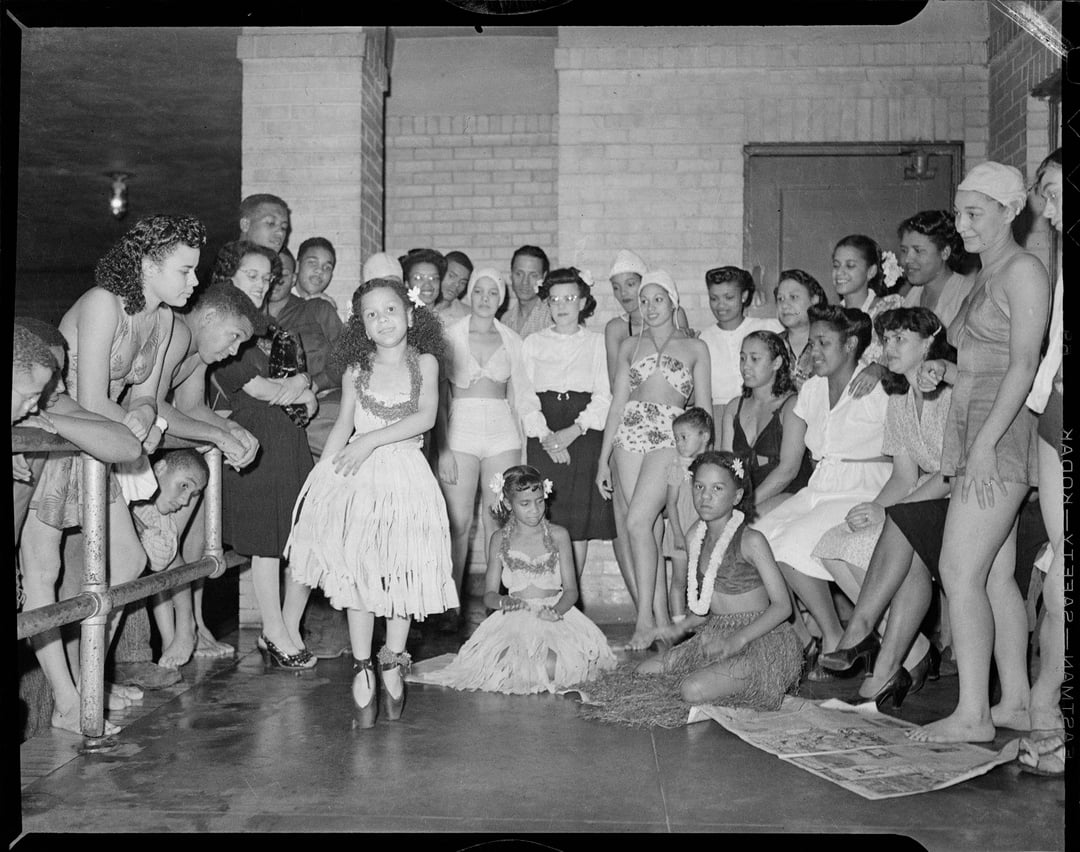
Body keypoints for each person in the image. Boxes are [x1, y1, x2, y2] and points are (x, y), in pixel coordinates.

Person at [21, 214, 205, 734]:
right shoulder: (105, 302)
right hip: (60, 432)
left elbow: (144, 396)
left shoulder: (165, 318)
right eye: (185, 271)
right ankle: (65, 701)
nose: (194, 282)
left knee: (125, 558)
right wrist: (132, 425)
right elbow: (95, 396)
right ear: (148, 265)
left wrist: (144, 419)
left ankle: (88, 681)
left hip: (106, 439)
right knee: (42, 568)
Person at [907, 161, 1050, 744]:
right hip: (976, 430)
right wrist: (945, 364)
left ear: (1010, 211)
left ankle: (972, 713)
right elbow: (985, 356)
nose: (961, 225)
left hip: (1001, 435)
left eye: (974, 213)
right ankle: (1014, 699)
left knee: (956, 569)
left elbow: (1023, 364)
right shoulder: (987, 273)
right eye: (960, 212)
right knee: (992, 575)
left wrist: (988, 445)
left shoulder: (1024, 271)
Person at [285, 277, 458, 727]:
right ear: (361, 326)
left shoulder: (426, 362)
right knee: (359, 572)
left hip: (406, 477)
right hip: (360, 479)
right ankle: (361, 666)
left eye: (390, 310)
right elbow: (344, 425)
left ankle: (392, 658)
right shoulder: (355, 369)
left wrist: (370, 442)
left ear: (410, 314)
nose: (382, 320)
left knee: (401, 570)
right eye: (371, 315)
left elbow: (423, 416)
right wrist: (324, 475)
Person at [580, 451, 802, 728]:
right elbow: (703, 607)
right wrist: (677, 627)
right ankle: (716, 679)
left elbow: (783, 606)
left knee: (691, 689)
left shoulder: (751, 540)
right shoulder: (695, 534)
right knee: (643, 671)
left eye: (717, 489)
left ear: (736, 496)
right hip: (714, 634)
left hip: (759, 641)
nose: (705, 496)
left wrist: (738, 640)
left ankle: (740, 684)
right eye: (699, 487)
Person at [811, 307, 955, 708]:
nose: (888, 348)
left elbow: (948, 475)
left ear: (928, 343)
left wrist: (894, 510)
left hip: (958, 501)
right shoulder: (900, 400)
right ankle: (908, 651)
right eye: (886, 339)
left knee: (902, 527)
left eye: (900, 339)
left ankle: (868, 639)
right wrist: (875, 508)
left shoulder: (949, 396)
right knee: (836, 541)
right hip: (920, 504)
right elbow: (903, 476)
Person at [752, 305, 891, 675]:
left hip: (862, 488)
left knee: (792, 544)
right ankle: (801, 636)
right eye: (811, 342)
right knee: (756, 539)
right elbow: (790, 464)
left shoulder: (877, 386)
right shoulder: (811, 390)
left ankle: (833, 635)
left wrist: (882, 370)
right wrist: (746, 506)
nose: (813, 351)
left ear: (851, 345)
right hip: (821, 486)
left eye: (824, 343)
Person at [410, 466, 616, 694]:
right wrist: (502, 602)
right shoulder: (499, 539)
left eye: (539, 501)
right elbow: (489, 595)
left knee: (552, 666)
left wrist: (556, 611)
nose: (535, 510)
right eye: (525, 504)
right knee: (502, 664)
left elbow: (571, 591)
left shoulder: (558, 535)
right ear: (508, 504)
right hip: (515, 617)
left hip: (554, 615)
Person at [209, 240, 318, 670]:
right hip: (255, 445)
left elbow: (301, 380)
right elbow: (257, 388)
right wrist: (297, 389)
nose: (261, 284)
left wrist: (302, 388)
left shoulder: (268, 327)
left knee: (306, 538)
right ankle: (272, 628)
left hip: (290, 442)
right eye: (250, 275)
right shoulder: (224, 323)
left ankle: (287, 627)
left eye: (266, 277)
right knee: (269, 542)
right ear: (228, 276)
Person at [148, 280, 262, 668]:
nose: (233, 351)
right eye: (233, 338)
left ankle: (184, 631)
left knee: (168, 547)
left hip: (141, 444)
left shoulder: (197, 352)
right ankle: (181, 632)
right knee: (150, 554)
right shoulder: (177, 332)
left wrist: (234, 432)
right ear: (210, 316)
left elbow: (194, 408)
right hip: (127, 442)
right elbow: (154, 408)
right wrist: (219, 435)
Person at [596, 270, 711, 651]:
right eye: (643, 301)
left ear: (673, 301)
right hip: (629, 433)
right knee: (645, 530)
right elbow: (615, 406)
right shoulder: (630, 345)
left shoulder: (695, 348)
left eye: (657, 299)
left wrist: (703, 461)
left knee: (637, 521)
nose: (649, 307)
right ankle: (661, 621)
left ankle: (644, 620)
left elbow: (705, 410)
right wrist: (602, 460)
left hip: (670, 435)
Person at [438, 268, 537, 625]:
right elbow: (439, 396)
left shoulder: (513, 340)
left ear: (501, 298)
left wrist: (523, 448)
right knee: (457, 521)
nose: (484, 298)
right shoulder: (449, 336)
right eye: (478, 291)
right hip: (460, 430)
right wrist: (443, 448)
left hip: (501, 433)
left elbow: (521, 396)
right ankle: (450, 603)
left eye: (491, 293)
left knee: (497, 521)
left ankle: (497, 603)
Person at [520, 267, 615, 578]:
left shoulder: (597, 343)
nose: (562, 306)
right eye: (555, 299)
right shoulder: (532, 343)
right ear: (547, 303)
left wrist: (573, 431)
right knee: (545, 516)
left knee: (576, 525)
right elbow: (524, 397)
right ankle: (545, 592)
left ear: (583, 301)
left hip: (582, 435)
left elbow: (605, 396)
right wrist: (547, 436)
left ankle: (569, 601)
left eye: (570, 298)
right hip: (544, 434)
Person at [1020, 148, 1065, 773]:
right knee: (1061, 574)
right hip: (1056, 416)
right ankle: (1044, 709)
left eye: (1054, 193)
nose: (1046, 211)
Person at [720, 330, 813, 516]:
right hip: (742, 501)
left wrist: (746, 504)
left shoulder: (792, 406)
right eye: (742, 358)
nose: (745, 366)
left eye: (755, 359)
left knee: (743, 529)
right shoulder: (733, 408)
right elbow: (726, 469)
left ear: (776, 363)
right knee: (696, 533)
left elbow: (788, 470)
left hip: (788, 496)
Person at [266, 248, 345, 456]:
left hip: (322, 407)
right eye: (270, 271)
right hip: (272, 412)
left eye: (282, 272)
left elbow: (347, 358)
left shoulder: (317, 309)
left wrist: (315, 383)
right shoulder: (251, 321)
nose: (275, 278)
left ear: (293, 278)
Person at [698, 266, 783, 425]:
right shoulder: (704, 339)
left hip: (765, 413)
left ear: (744, 296)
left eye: (728, 297)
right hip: (720, 418)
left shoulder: (768, 328)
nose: (720, 305)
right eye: (714, 298)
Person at [832, 235, 906, 398]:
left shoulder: (889, 309)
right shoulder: (831, 318)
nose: (840, 272)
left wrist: (879, 369)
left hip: (881, 400)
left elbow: (908, 360)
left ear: (871, 271)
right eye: (836, 265)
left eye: (850, 265)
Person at [664, 407, 714, 621]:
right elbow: (671, 503)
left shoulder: (713, 465)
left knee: (704, 579)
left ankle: (702, 621)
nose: (679, 444)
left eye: (684, 437)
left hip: (706, 533)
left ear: (704, 436)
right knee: (679, 580)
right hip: (682, 529)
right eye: (677, 439)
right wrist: (676, 533)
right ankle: (678, 624)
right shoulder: (677, 467)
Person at [896, 210, 976, 329]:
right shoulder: (914, 294)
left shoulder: (968, 294)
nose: (907, 259)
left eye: (918, 251)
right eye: (904, 250)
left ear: (945, 252)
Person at [774, 269, 829, 392]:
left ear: (814, 300)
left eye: (793, 297)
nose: (785, 305)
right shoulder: (771, 345)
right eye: (780, 299)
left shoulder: (830, 344)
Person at [500, 245, 551, 338]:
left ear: (544, 277)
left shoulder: (552, 317)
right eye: (519, 274)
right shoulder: (505, 320)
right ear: (511, 275)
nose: (525, 282)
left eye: (533, 275)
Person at [293, 236, 338, 308]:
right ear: (297, 266)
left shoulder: (327, 309)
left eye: (327, 267)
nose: (320, 270)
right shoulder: (277, 302)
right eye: (313, 263)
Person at [434, 250, 473, 322]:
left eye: (462, 282)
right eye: (452, 276)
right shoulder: (416, 308)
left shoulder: (469, 317)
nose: (456, 285)